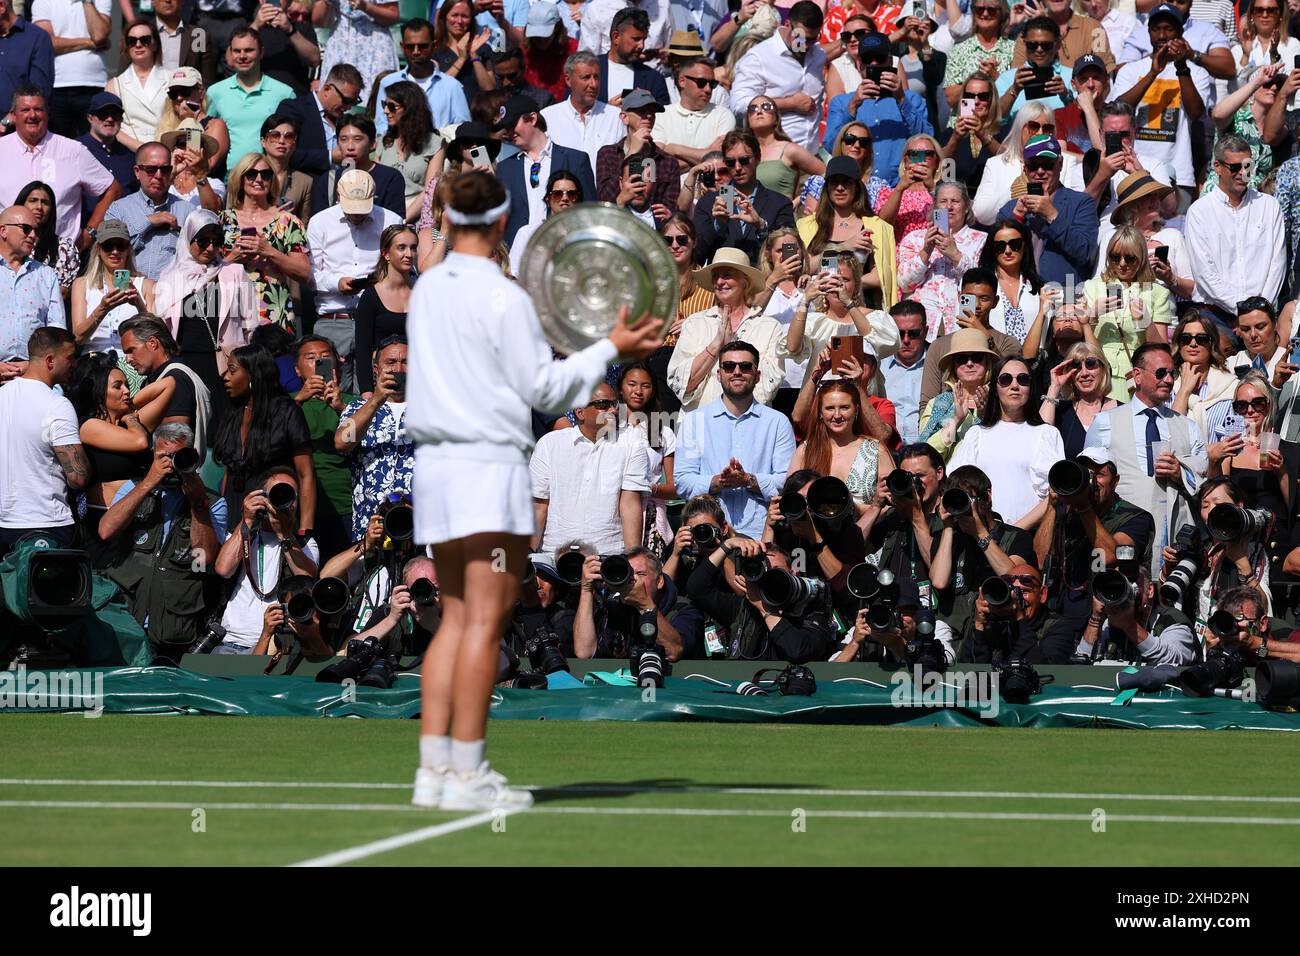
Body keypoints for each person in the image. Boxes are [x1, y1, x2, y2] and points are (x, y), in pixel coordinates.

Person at [404, 170, 661, 809]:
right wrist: (612, 345)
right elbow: (547, 393)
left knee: (456, 622)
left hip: (436, 469)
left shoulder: (428, 289)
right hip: (486, 469)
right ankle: (463, 774)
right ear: (497, 223)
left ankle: (435, 771)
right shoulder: (502, 297)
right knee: (481, 624)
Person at [97, 421, 225, 660]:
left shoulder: (211, 502)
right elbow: (106, 531)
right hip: (127, 620)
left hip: (174, 628)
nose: (172, 465)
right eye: (164, 457)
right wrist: (148, 482)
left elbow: (203, 559)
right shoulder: (134, 488)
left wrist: (198, 505)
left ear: (193, 458)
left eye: (180, 457)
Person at [1084, 342, 1207, 577]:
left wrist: (1181, 474)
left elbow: (1205, 479)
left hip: (1173, 538)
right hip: (1123, 534)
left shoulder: (1188, 427)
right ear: (1137, 376)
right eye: (1161, 373)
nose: (1169, 380)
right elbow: (1092, 483)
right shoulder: (1104, 422)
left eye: (1172, 374)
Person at [674, 340, 796, 537]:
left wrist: (748, 480)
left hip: (763, 534)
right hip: (709, 536)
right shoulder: (694, 421)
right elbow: (682, 482)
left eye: (745, 366)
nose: (737, 371)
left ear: (757, 376)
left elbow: (787, 482)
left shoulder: (778, 422)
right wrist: (718, 482)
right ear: (719, 374)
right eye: (729, 366)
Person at [1032, 446, 1153, 635]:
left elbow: (1112, 557)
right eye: (1086, 475)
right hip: (1058, 617)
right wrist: (1052, 507)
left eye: (1099, 475)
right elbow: (1040, 560)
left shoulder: (1134, 517)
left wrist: (1084, 507)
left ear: (1115, 481)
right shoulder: (1064, 512)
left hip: (1107, 618)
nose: (1092, 482)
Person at [151, 212, 258, 425]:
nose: (210, 248)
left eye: (216, 242)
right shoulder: (170, 277)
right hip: (184, 363)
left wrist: (243, 364)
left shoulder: (234, 273)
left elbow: (250, 325)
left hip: (224, 365)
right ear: (188, 239)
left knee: (225, 425)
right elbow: (160, 324)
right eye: (202, 241)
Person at [308, 169, 403, 390]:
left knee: (374, 392)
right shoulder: (319, 222)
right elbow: (311, 273)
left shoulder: (391, 220)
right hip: (331, 322)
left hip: (376, 322)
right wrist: (337, 284)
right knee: (325, 387)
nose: (357, 215)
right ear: (339, 196)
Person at [530, 381, 649, 555]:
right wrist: (528, 559)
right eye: (603, 405)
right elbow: (538, 507)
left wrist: (631, 560)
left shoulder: (632, 442)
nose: (613, 410)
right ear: (580, 412)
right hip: (555, 556)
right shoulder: (549, 444)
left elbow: (630, 504)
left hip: (608, 557)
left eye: (614, 403)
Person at [212, 466, 320, 654]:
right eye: (276, 494)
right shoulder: (245, 535)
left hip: (274, 644)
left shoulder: (305, 544)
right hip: (229, 640)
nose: (282, 501)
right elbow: (223, 569)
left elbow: (307, 577)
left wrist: (283, 533)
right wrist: (246, 520)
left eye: (289, 495)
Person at [1185, 136, 1286, 335]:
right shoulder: (1199, 211)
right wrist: (1244, 311)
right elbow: (1204, 273)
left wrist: (1257, 313)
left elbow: (1278, 263)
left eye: (1248, 166)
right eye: (1235, 167)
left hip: (1263, 317)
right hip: (1217, 318)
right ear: (1217, 167)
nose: (1242, 173)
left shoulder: (1269, 206)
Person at [950, 355, 1065, 527]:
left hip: (1030, 536)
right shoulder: (977, 434)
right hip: (982, 535)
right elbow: (957, 484)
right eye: (1005, 379)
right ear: (995, 389)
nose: (1014, 386)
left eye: (1023, 379)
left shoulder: (1046, 433)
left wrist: (1015, 532)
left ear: (1030, 387)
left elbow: (1055, 493)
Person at [213, 343, 316, 534]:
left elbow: (306, 474)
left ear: (253, 374)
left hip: (273, 516)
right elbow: (229, 470)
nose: (225, 377)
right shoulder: (234, 412)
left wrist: (305, 530)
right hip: (234, 516)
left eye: (232, 370)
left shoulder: (286, 412)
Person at [668, 247, 786, 411]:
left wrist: (732, 352)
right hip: (701, 425)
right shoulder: (695, 323)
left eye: (727, 275)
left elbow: (768, 387)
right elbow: (680, 384)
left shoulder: (769, 327)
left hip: (749, 424)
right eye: (715, 276)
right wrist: (716, 345)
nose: (719, 282)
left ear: (746, 282)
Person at [0, 86, 120, 248]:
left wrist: (89, 234)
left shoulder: (73, 150)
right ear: (14, 115)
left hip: (60, 257)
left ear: (48, 113)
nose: (32, 115)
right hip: (7, 256)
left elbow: (112, 189)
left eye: (38, 109)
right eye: (25, 110)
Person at [0, 327, 85, 556]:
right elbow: (77, 476)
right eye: (70, 358)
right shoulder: (56, 405)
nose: (74, 364)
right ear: (50, 360)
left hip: (5, 522)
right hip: (45, 524)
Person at [1112, 3, 1206, 196]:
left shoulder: (1194, 73)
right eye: (1156, 29)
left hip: (1178, 175)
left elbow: (1196, 113)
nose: (1162, 36)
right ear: (1148, 32)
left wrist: (1181, 68)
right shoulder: (1131, 70)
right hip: (1130, 168)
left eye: (1169, 29)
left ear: (1180, 32)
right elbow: (1117, 111)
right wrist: (1153, 73)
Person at [823, 33, 932, 186]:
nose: (873, 64)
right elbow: (831, 146)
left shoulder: (911, 99)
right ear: (859, 63)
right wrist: (853, 106)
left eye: (879, 58)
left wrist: (901, 99)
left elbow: (926, 142)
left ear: (889, 61)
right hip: (858, 190)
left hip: (901, 189)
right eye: (867, 59)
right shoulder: (842, 103)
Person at [334, 336, 415, 544]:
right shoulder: (356, 409)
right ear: (376, 369)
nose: (399, 368)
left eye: (406, 362)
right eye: (391, 362)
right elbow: (343, 442)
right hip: (371, 530)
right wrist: (376, 401)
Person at [219, 152, 311, 332]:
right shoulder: (223, 221)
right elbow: (208, 273)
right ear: (240, 178)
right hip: (233, 312)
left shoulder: (287, 221)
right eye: (251, 174)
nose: (259, 179)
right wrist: (233, 257)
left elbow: (304, 273)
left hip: (275, 315)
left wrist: (268, 250)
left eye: (266, 174)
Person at [997, 134, 1099, 287]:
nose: (1040, 171)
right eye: (1033, 165)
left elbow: (1085, 253)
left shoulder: (1081, 203)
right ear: (1024, 168)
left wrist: (1052, 216)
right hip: (1020, 297)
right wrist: (1016, 220)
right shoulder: (1010, 210)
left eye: (1047, 164)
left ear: (1060, 164)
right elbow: (995, 254)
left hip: (1065, 299)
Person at [496, 94, 597, 247]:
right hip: (518, 256)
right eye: (506, 128)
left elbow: (590, 213)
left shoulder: (576, 159)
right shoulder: (505, 168)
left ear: (533, 119)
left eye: (512, 124)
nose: (509, 132)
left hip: (562, 251)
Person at [795, 154, 896, 307]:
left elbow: (880, 276)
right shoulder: (807, 225)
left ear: (856, 187)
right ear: (827, 187)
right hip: (818, 309)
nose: (840, 188)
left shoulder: (877, 227)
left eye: (846, 183)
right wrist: (844, 246)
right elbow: (804, 267)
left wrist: (845, 285)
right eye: (834, 183)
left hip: (860, 308)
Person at [1082, 225, 1172, 395]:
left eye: (1130, 258)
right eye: (1116, 257)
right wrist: (1092, 314)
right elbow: (1079, 340)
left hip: (1135, 375)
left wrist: (1147, 322)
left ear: (1142, 259)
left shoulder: (1157, 293)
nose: (1122, 264)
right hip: (1097, 374)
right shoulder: (1093, 287)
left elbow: (1161, 350)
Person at [918, 266, 1022, 412]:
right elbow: (927, 403)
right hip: (949, 426)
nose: (977, 306)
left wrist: (983, 334)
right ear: (960, 298)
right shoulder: (939, 346)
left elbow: (1010, 381)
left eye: (984, 298)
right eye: (970, 298)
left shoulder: (1008, 343)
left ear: (995, 301)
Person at [729, 1, 826, 154]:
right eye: (801, 37)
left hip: (811, 155)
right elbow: (739, 105)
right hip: (774, 160)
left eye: (813, 39)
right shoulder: (759, 57)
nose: (806, 45)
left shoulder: (818, 56)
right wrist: (789, 103)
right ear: (788, 24)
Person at [290, 335, 355, 561]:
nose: (318, 362)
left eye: (325, 357)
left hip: (343, 504)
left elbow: (359, 443)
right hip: (297, 506)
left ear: (336, 364)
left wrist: (341, 409)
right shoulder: (286, 402)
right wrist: (299, 400)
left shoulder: (353, 403)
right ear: (298, 370)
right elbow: (270, 438)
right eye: (310, 358)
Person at [693, 129, 797, 266]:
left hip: (766, 280)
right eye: (730, 162)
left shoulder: (780, 203)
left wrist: (761, 225)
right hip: (723, 282)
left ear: (758, 158)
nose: (737, 167)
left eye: (744, 160)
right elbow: (698, 253)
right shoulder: (707, 203)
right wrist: (719, 226)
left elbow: (790, 252)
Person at [897, 181, 986, 340]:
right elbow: (905, 284)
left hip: (961, 325)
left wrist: (955, 255)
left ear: (966, 207)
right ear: (935, 207)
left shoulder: (982, 240)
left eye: (955, 201)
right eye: (943, 201)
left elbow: (982, 283)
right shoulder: (914, 238)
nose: (949, 207)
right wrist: (926, 251)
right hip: (921, 329)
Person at [788, 379, 896, 506]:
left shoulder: (875, 449)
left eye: (844, 407)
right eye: (830, 408)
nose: (837, 415)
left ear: (856, 410)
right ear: (820, 412)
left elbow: (894, 502)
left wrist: (867, 512)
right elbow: (790, 500)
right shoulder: (806, 450)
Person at [204, 29, 296, 178]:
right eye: (237, 51)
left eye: (249, 50)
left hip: (268, 179)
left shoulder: (284, 93)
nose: (242, 56)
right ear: (230, 53)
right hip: (228, 179)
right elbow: (206, 137)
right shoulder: (215, 92)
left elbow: (293, 139)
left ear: (261, 52)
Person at [118, 313, 214, 454]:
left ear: (152, 343)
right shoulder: (156, 379)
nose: (128, 359)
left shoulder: (177, 378)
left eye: (131, 350)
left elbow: (172, 446)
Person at [103, 141, 196, 281]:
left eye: (164, 170)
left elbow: (198, 258)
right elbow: (111, 256)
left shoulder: (188, 211)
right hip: (127, 289)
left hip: (172, 294)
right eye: (151, 170)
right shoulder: (118, 209)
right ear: (137, 172)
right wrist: (148, 222)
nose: (158, 176)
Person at [374, 18, 471, 135]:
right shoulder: (388, 83)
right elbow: (381, 127)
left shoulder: (453, 87)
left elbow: (463, 130)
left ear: (434, 46)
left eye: (422, 46)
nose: (416, 52)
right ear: (402, 47)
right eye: (410, 47)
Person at [69, 221, 154, 353]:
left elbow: (155, 336)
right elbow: (78, 338)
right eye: (108, 246)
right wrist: (102, 310)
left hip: (133, 362)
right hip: (94, 361)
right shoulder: (81, 285)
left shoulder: (146, 285)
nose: (115, 252)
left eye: (120, 246)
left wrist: (139, 305)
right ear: (98, 249)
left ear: (128, 250)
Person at [31, 0, 111, 139]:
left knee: (94, 148)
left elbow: (99, 35)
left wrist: (87, 2)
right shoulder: (42, 1)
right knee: (58, 148)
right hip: (57, 87)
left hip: (93, 86)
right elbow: (46, 43)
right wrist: (89, 43)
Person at [539, 51, 626, 179]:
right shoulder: (548, 117)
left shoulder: (616, 117)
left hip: (603, 197)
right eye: (586, 77)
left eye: (596, 77)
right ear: (568, 79)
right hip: (563, 196)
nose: (593, 84)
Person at [0, 203, 65, 371]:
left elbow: (56, 331)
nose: (33, 235)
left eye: (36, 230)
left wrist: (33, 366)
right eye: (26, 229)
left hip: (35, 373)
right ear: (3, 231)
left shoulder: (46, 274)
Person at [970, 100, 1056, 226]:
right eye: (1033, 127)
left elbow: (1071, 207)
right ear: (1020, 129)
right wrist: (1017, 191)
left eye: (1047, 128)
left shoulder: (1064, 163)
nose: (1040, 133)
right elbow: (981, 214)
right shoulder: (996, 164)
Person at [1204, 63, 1282, 197]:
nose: (1274, 88)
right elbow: (1217, 115)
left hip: (1253, 202)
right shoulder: (1236, 116)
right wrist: (1258, 81)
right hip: (1220, 198)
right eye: (1268, 84)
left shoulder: (1278, 127)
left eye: (1278, 85)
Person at [354, 225, 416, 395]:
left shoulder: (424, 292)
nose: (409, 254)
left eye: (413, 248)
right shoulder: (370, 297)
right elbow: (363, 349)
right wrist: (367, 393)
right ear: (386, 253)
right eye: (401, 248)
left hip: (418, 383)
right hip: (383, 384)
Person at [920, 325, 995, 462]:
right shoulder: (937, 403)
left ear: (987, 363)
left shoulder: (1001, 401)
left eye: (977, 357)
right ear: (953, 366)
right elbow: (926, 456)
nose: (970, 363)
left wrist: (987, 416)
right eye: (962, 359)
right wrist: (956, 419)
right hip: (950, 481)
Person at [595, 89, 679, 211]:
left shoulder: (668, 162)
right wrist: (632, 153)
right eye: (642, 111)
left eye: (652, 112)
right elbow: (606, 199)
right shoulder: (607, 154)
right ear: (624, 117)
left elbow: (669, 208)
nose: (649, 116)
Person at [308, 115, 406, 219]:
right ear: (337, 143)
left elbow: (396, 224)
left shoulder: (390, 178)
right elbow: (319, 222)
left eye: (357, 139)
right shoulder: (328, 180)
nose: (350, 147)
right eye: (344, 139)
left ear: (372, 144)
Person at [375, 83, 445, 222]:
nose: (385, 111)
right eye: (385, 104)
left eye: (392, 106)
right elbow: (376, 182)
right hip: (383, 214)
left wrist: (401, 219)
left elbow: (430, 191)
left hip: (419, 218)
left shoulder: (435, 144)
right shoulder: (384, 141)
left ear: (409, 109)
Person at [1170, 310, 1238, 449]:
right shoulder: (1166, 384)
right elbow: (1171, 435)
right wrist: (1184, 391)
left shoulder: (1231, 387)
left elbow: (1235, 438)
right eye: (1186, 338)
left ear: (1212, 344)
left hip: (1217, 467)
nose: (1193, 344)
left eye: (1201, 339)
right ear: (1179, 344)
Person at [1040, 340, 1118, 458]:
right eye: (1076, 366)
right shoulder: (1060, 411)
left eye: (1090, 363)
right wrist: (1054, 387)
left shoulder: (1122, 410)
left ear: (1102, 369)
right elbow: (1040, 439)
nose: (1084, 373)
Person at [798, 120, 892, 218]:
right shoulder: (819, 183)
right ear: (841, 143)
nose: (857, 145)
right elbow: (812, 222)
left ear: (869, 149)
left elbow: (884, 224)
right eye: (850, 139)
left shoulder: (879, 187)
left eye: (863, 142)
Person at [656, 55, 736, 168]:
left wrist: (676, 149)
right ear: (682, 81)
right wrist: (709, 152)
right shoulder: (661, 116)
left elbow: (721, 161)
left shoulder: (723, 115)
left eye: (712, 84)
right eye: (701, 82)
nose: (708, 89)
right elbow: (657, 167)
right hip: (671, 186)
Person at [743, 94, 824, 202]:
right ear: (748, 119)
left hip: (782, 217)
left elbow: (827, 174)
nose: (759, 111)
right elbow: (726, 184)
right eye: (752, 109)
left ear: (776, 118)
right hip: (744, 217)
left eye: (766, 107)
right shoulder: (740, 152)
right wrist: (726, 214)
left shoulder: (789, 149)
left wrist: (801, 200)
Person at [155, 66, 230, 182]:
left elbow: (207, 165)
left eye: (185, 91)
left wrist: (191, 121)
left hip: (204, 191)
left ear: (201, 92)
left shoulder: (214, 124)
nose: (179, 98)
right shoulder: (166, 126)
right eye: (174, 94)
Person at [976, 217, 1043, 346]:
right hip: (990, 360)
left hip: (1032, 363)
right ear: (992, 249)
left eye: (1015, 244)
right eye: (1000, 246)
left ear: (1025, 245)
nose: (1007, 251)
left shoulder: (1038, 287)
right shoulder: (977, 284)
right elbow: (963, 323)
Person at [317, 0, 399, 104]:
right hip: (340, 45)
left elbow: (393, 15)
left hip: (373, 46)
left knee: (376, 100)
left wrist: (366, 7)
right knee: (332, 98)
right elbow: (319, 21)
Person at [508, 168, 584, 278]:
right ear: (548, 198)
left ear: (578, 198)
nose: (565, 198)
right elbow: (513, 274)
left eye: (571, 194)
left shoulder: (587, 234)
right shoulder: (527, 233)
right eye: (557, 194)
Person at [994, 15, 1073, 117]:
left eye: (1046, 45)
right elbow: (994, 121)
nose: (1039, 50)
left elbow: (1081, 120)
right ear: (1024, 44)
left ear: (1057, 44)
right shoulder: (1006, 79)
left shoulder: (1072, 76)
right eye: (1032, 45)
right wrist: (1014, 89)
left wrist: (1066, 95)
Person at [939, 71, 1002, 198]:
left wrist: (983, 134)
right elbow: (943, 174)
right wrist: (955, 140)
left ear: (992, 99)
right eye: (970, 96)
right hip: (956, 204)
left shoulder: (1004, 132)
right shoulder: (950, 135)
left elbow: (1009, 164)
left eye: (983, 96)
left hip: (993, 205)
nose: (976, 101)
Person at [106, 21, 167, 150]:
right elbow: (110, 126)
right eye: (132, 41)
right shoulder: (114, 85)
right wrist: (142, 148)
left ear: (155, 44)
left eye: (145, 40)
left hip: (166, 152)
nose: (138, 45)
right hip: (128, 152)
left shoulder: (172, 78)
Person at [942, 0, 1014, 104]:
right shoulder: (959, 50)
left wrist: (996, 77)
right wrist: (979, 76)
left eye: (991, 10)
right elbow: (951, 99)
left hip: (1000, 119)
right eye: (979, 10)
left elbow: (1018, 95)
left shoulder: (1013, 49)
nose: (985, 14)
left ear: (1002, 14)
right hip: (966, 118)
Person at [14, 181, 79, 294]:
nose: (39, 207)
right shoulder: (5, 241)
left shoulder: (64, 247)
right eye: (33, 201)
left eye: (45, 203)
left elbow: (59, 294)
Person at [595, 7, 669, 105]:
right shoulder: (588, 69)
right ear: (616, 37)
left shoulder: (654, 79)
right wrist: (607, 113)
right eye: (636, 39)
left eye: (644, 39)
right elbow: (572, 113)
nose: (641, 46)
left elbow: (662, 118)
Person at [432, 0, 496, 105]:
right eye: (454, 15)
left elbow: (489, 89)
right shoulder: (434, 49)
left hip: (476, 114)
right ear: (444, 17)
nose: (460, 21)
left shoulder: (483, 49)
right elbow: (438, 87)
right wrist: (461, 59)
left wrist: (474, 55)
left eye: (465, 16)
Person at [881, 301, 927, 444]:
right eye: (899, 333)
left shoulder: (937, 364)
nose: (906, 340)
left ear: (925, 332)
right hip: (888, 447)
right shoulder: (877, 365)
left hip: (926, 449)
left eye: (913, 333)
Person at [0, 0, 53, 122]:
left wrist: (6, 122)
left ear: (2, 6)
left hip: (19, 132)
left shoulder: (37, 38)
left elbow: (39, 93)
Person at [78, 91, 138, 199]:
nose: (110, 119)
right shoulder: (75, 150)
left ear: (121, 119)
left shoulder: (129, 156)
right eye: (103, 114)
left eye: (115, 114)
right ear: (90, 118)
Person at [252, 114, 311, 221]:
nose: (281, 141)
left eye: (289, 136)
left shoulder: (304, 182)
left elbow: (304, 224)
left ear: (294, 144)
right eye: (275, 135)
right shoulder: (248, 174)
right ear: (263, 141)